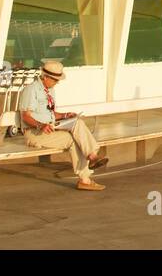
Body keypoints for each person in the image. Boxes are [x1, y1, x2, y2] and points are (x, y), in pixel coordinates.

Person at [17, 60, 110, 192]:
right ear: (46, 77)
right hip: (34, 132)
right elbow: (25, 116)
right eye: (55, 80)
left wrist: (65, 115)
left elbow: (51, 113)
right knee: (74, 139)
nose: (57, 82)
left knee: (77, 123)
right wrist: (41, 125)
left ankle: (89, 167)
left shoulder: (50, 90)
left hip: (49, 128)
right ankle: (88, 170)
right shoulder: (31, 90)